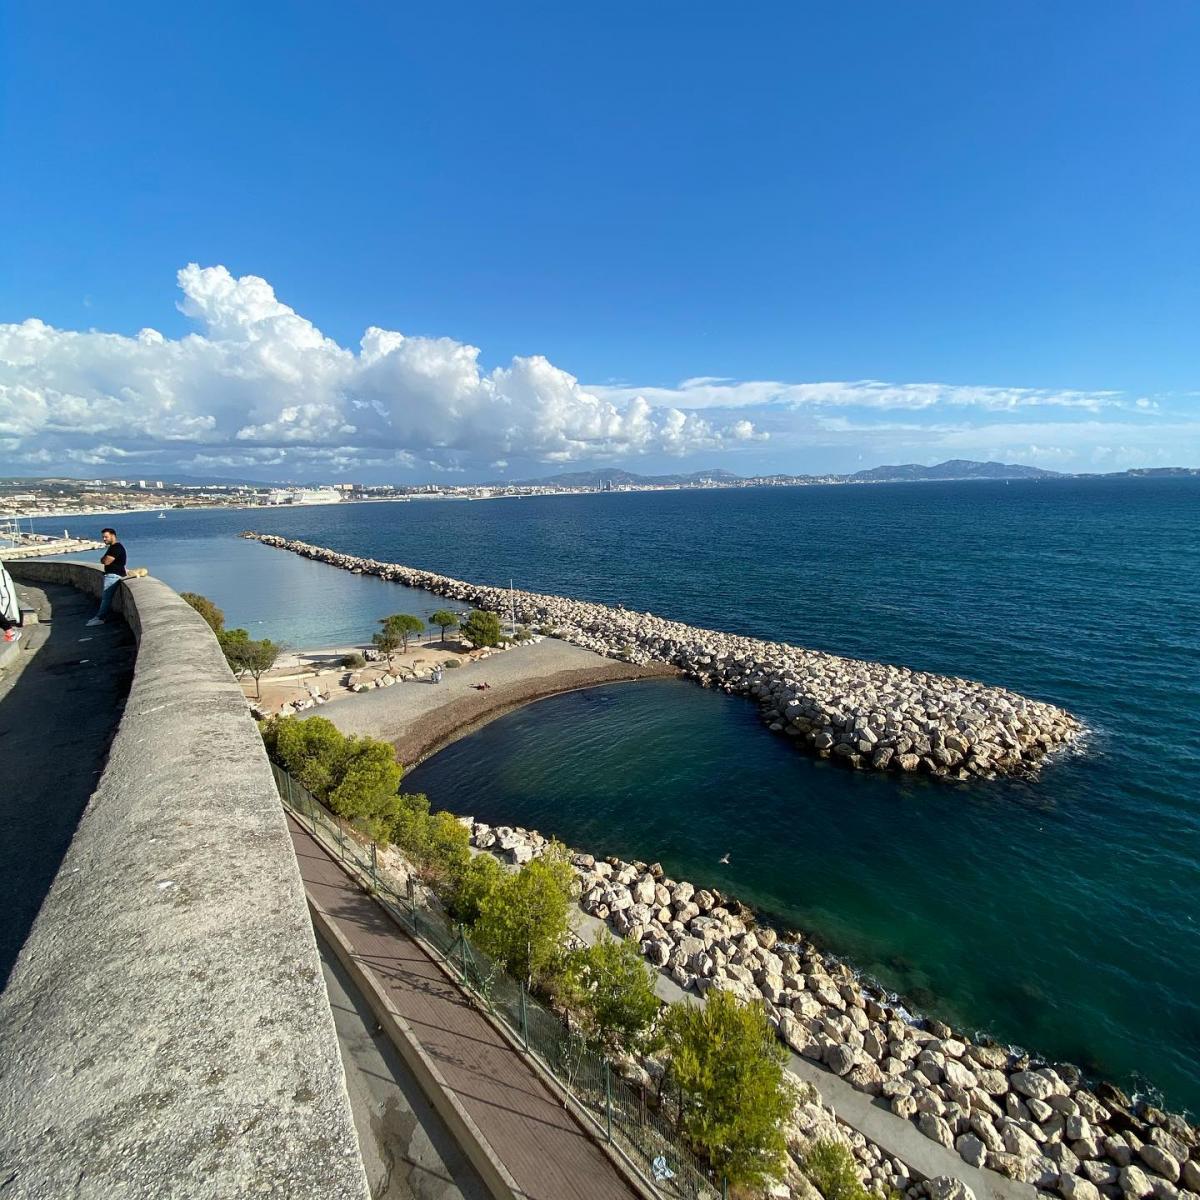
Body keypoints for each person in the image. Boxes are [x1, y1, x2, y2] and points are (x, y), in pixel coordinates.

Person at [86, 527, 127, 627]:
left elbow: (106, 561)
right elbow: (104, 560)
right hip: (113, 575)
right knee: (106, 598)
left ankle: (100, 618)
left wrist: (104, 559)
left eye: (106, 537)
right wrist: (104, 559)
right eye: (103, 537)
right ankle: (99, 617)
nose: (104, 539)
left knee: (106, 598)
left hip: (113, 576)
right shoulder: (113, 547)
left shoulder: (116, 548)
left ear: (113, 536)